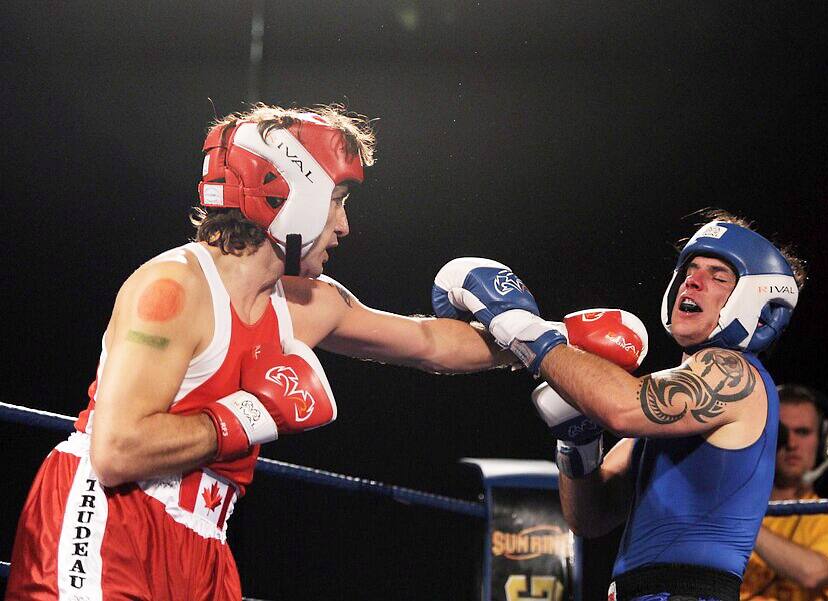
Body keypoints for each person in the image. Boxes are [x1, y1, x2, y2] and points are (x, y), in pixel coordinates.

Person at [5, 103, 513, 600]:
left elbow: (430, 344)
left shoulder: (307, 303)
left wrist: (550, 342)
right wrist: (252, 413)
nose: (344, 226)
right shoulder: (172, 288)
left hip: (206, 542)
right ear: (295, 195)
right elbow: (117, 452)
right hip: (108, 519)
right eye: (337, 200)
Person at [431, 210, 805, 600]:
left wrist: (522, 327)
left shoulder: (734, 373)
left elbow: (621, 408)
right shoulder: (675, 405)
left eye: (718, 276)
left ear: (756, 303)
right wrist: (578, 444)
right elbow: (589, 518)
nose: (692, 281)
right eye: (691, 269)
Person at [740, 384, 828, 600]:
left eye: (803, 432)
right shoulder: (731, 510)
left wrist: (739, 519)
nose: (791, 443)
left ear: (824, 444)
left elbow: (813, 574)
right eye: (781, 432)